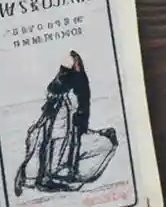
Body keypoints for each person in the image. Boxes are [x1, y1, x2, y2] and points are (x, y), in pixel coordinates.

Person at [13, 51, 117, 196]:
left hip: (66, 125)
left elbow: (74, 102)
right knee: (56, 147)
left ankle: (47, 176)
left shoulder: (69, 82)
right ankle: (44, 177)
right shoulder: (68, 83)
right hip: (61, 125)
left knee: (61, 147)